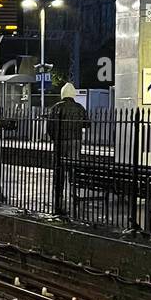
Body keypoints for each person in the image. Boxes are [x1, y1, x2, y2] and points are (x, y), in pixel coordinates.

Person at [46, 82, 89, 216]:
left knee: (59, 168)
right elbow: (87, 124)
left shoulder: (56, 107)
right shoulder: (79, 107)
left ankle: (58, 192)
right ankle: (74, 190)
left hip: (60, 142)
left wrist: (54, 138)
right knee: (73, 167)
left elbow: (50, 126)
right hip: (75, 142)